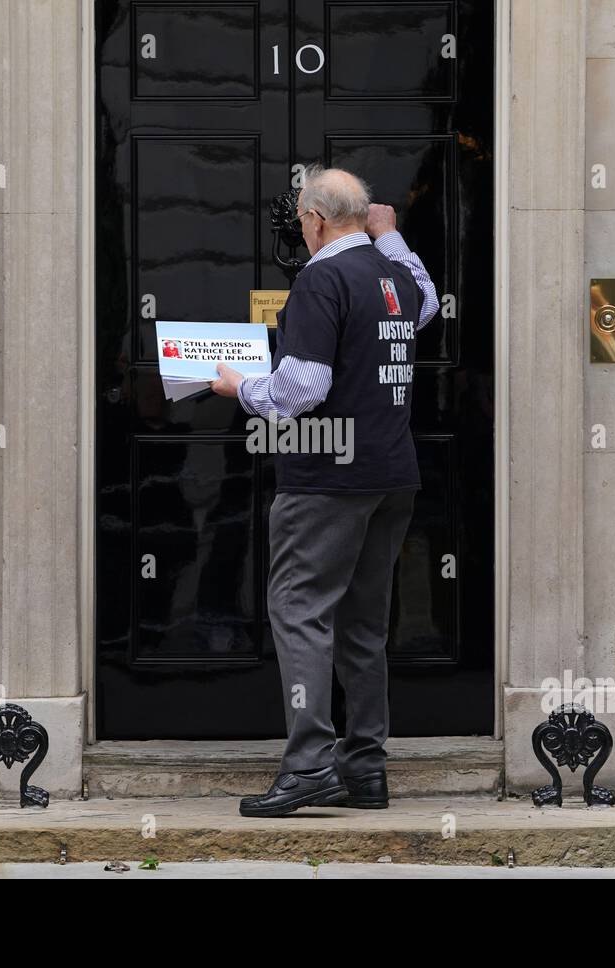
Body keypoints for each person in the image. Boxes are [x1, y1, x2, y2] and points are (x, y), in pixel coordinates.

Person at [211, 165, 439, 817]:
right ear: (361, 219)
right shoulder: (392, 275)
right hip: (393, 473)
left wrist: (240, 389)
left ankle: (310, 765)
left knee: (300, 609)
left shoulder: (322, 278)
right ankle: (365, 767)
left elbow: (302, 388)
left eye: (302, 220)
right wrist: (390, 237)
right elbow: (424, 302)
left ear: (314, 219)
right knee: (363, 624)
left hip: (329, 477)